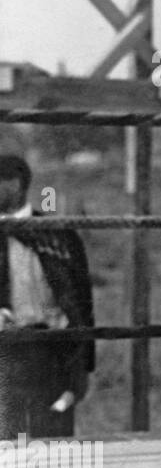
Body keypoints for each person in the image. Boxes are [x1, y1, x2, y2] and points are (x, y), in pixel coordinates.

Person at [0, 154, 95, 439]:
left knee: (54, 437)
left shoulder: (57, 235)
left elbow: (82, 300)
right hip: (5, 351)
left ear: (15, 185)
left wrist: (84, 363)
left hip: (53, 350)